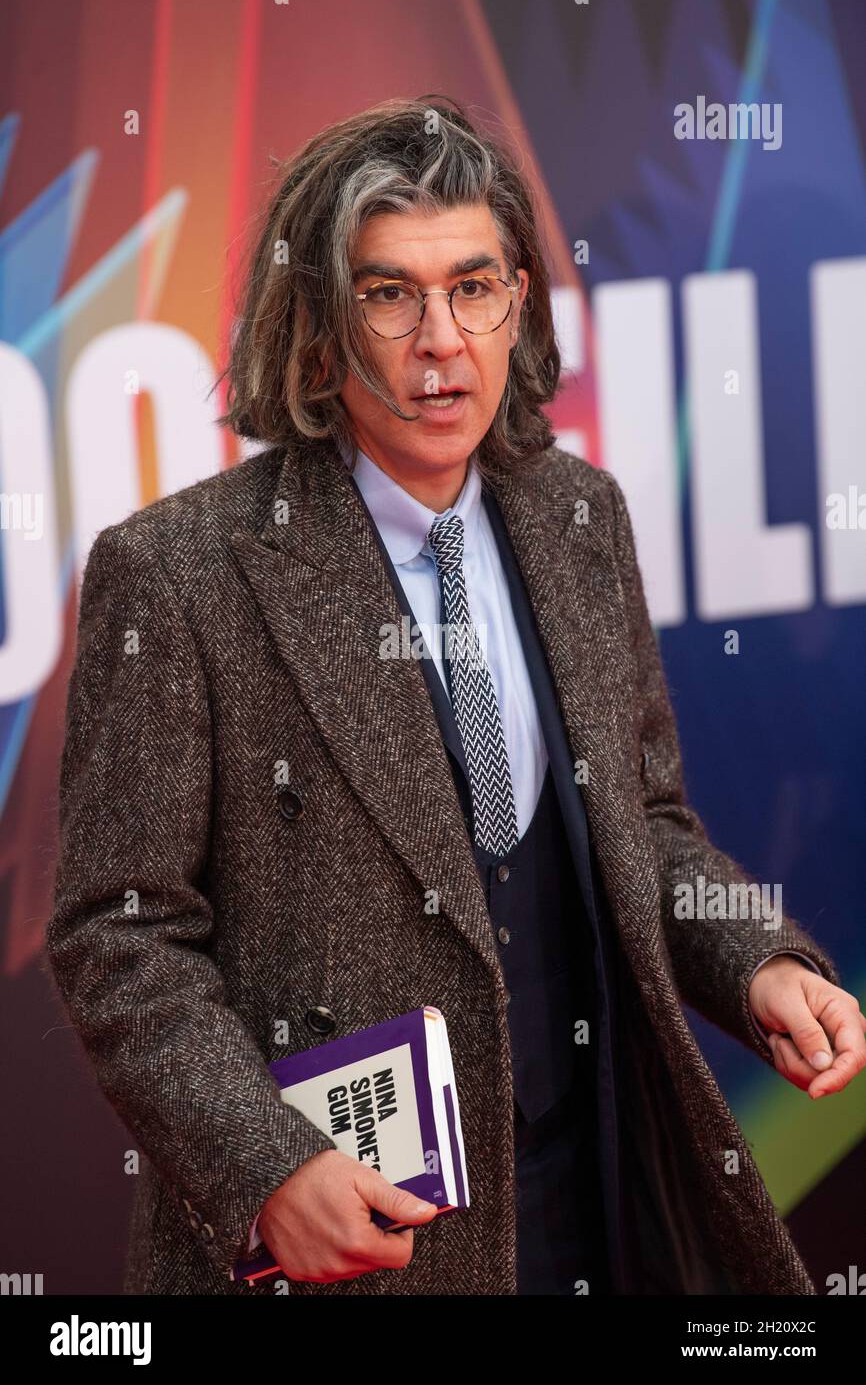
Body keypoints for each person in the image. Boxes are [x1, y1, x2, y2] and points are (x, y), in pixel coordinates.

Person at [48, 96, 865, 1296]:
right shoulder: (173, 574)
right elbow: (118, 932)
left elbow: (644, 824)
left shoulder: (579, 516)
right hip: (355, 1246)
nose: (442, 339)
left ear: (517, 299)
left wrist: (755, 964)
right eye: (389, 295)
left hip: (594, 1201)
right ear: (320, 331)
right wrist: (268, 1167)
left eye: (473, 287)